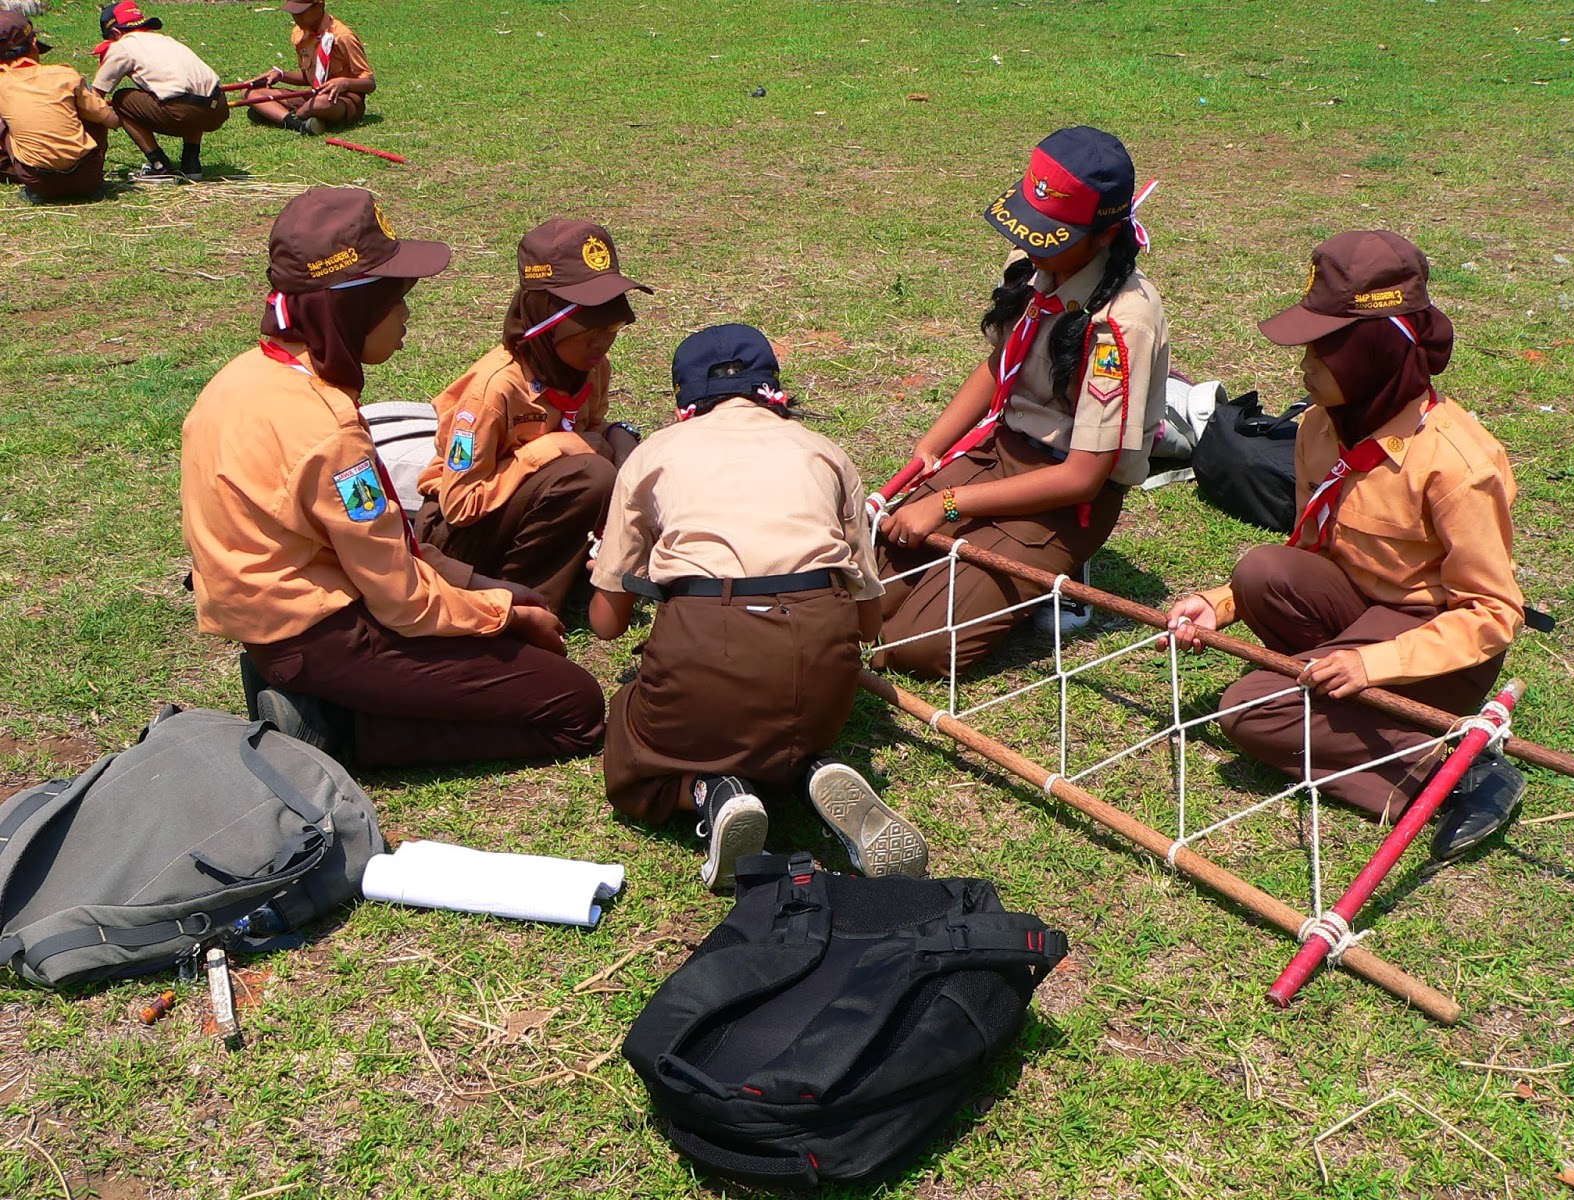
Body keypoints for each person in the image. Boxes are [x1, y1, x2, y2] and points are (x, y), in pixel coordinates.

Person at [180, 187, 605, 769]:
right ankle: (340, 729)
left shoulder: (239, 379)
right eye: (396, 298)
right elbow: (401, 602)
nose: (407, 315)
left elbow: (374, 547)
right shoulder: (328, 431)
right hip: (329, 632)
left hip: (273, 618)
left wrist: (481, 584)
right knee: (574, 706)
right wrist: (503, 615)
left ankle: (307, 685)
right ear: (352, 308)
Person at [1165, 230, 1526, 860]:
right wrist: (1221, 605)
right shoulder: (1320, 426)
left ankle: (1457, 769)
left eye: (1322, 349)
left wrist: (1371, 666)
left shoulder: (1457, 463)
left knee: (1249, 713)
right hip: (1362, 607)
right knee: (1260, 572)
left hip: (1434, 638)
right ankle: (1347, 705)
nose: (1302, 366)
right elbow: (1309, 543)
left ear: (1374, 354)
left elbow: (1494, 615)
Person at [589, 325, 928, 890]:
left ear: (684, 398)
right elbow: (869, 621)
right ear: (771, 387)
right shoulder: (824, 451)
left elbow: (606, 624)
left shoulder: (652, 455)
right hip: (822, 644)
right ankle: (810, 772)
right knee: (787, 719)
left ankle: (713, 791)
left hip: (707, 633)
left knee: (633, 731)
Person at [874, 126, 1170, 677]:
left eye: (1051, 233)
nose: (1033, 241)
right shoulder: (1033, 264)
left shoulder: (1122, 324)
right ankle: (999, 565)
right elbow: (999, 363)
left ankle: (1055, 573)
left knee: (919, 648)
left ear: (1104, 236)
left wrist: (946, 504)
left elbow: (1084, 477)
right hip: (997, 451)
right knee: (862, 593)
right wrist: (932, 450)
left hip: (1064, 495)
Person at [414, 220, 647, 612]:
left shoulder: (592, 367)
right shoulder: (495, 389)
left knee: (606, 464)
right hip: (456, 538)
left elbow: (587, 432)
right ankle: (522, 602)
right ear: (546, 321)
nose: (603, 342)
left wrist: (620, 435)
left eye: (613, 328)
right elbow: (459, 504)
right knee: (590, 474)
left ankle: (563, 580)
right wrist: (547, 450)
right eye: (589, 330)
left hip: (521, 516)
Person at [91, 2, 227, 181]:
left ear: (115, 33)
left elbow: (96, 94)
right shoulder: (166, 40)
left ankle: (159, 164)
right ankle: (191, 162)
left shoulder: (122, 46)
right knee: (190, 93)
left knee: (121, 99)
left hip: (184, 112)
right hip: (218, 108)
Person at [0, 11, 121, 201]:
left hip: (38, 182)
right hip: (87, 178)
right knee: (91, 108)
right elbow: (110, 120)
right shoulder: (64, 75)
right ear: (33, 44)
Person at [240, 0, 372, 137]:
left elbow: (370, 84)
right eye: (293, 13)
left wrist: (344, 83)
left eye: (301, 12)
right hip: (314, 96)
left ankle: (276, 115)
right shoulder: (300, 34)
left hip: (340, 101)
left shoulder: (343, 37)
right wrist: (281, 75)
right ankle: (298, 123)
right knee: (248, 92)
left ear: (320, 6)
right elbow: (309, 77)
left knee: (319, 104)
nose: (296, 18)